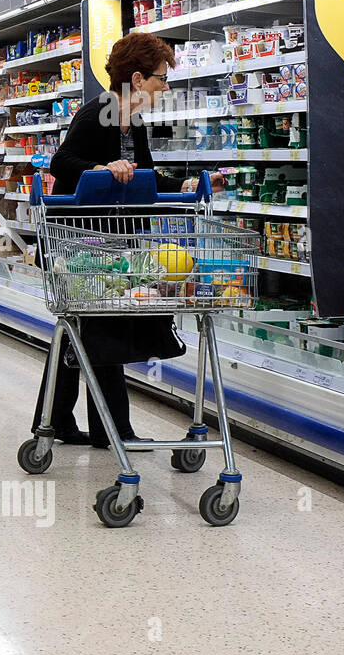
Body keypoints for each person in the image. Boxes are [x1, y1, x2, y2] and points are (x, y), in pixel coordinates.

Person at [34, 31, 224, 447]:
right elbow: (62, 162)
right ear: (137, 80)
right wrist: (103, 167)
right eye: (161, 78)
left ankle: (55, 422)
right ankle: (112, 429)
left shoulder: (132, 121)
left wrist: (184, 183)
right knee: (100, 327)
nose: (165, 87)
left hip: (113, 237)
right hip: (79, 239)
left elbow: (146, 175)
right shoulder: (98, 111)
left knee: (81, 327)